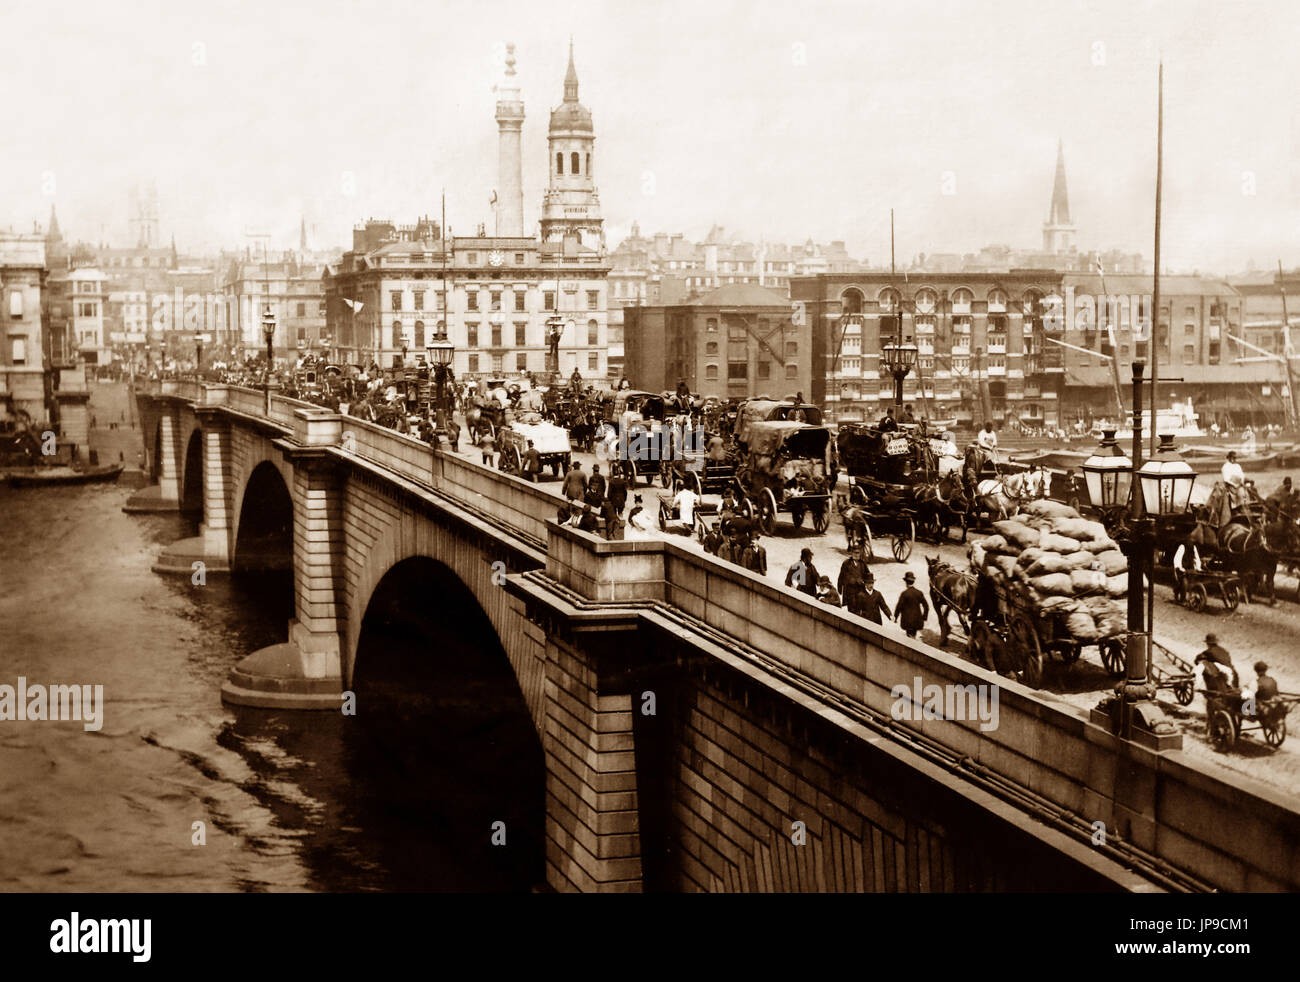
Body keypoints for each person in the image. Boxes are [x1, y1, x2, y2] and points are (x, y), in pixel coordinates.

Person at [895, 570, 930, 639]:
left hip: (907, 621)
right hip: (917, 621)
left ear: (906, 582)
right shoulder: (919, 593)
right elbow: (926, 606)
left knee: (909, 638)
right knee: (913, 636)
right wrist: (924, 617)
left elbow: (899, 607)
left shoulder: (904, 594)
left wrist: (895, 617)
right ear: (913, 582)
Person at [837, 548, 870, 615]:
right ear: (852, 553)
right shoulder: (846, 563)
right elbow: (841, 576)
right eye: (855, 553)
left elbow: (868, 575)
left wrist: (867, 586)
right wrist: (839, 587)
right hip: (850, 591)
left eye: (858, 553)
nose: (856, 555)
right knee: (851, 610)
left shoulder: (862, 564)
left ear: (860, 554)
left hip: (860, 590)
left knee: (859, 609)